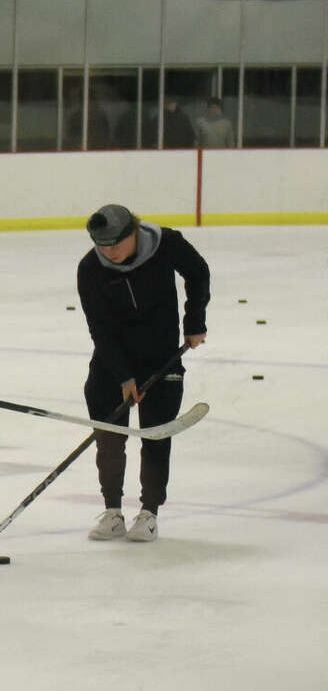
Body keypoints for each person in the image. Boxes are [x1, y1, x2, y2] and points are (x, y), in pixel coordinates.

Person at [77, 203, 210, 543]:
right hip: (112, 360)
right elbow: (99, 328)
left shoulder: (166, 244)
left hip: (161, 358)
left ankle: (149, 512)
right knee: (108, 434)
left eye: (116, 245)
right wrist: (124, 376)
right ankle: (112, 510)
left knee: (156, 435)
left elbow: (198, 272)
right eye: (102, 246)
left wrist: (194, 321)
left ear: (133, 232)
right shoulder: (90, 268)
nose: (109, 253)